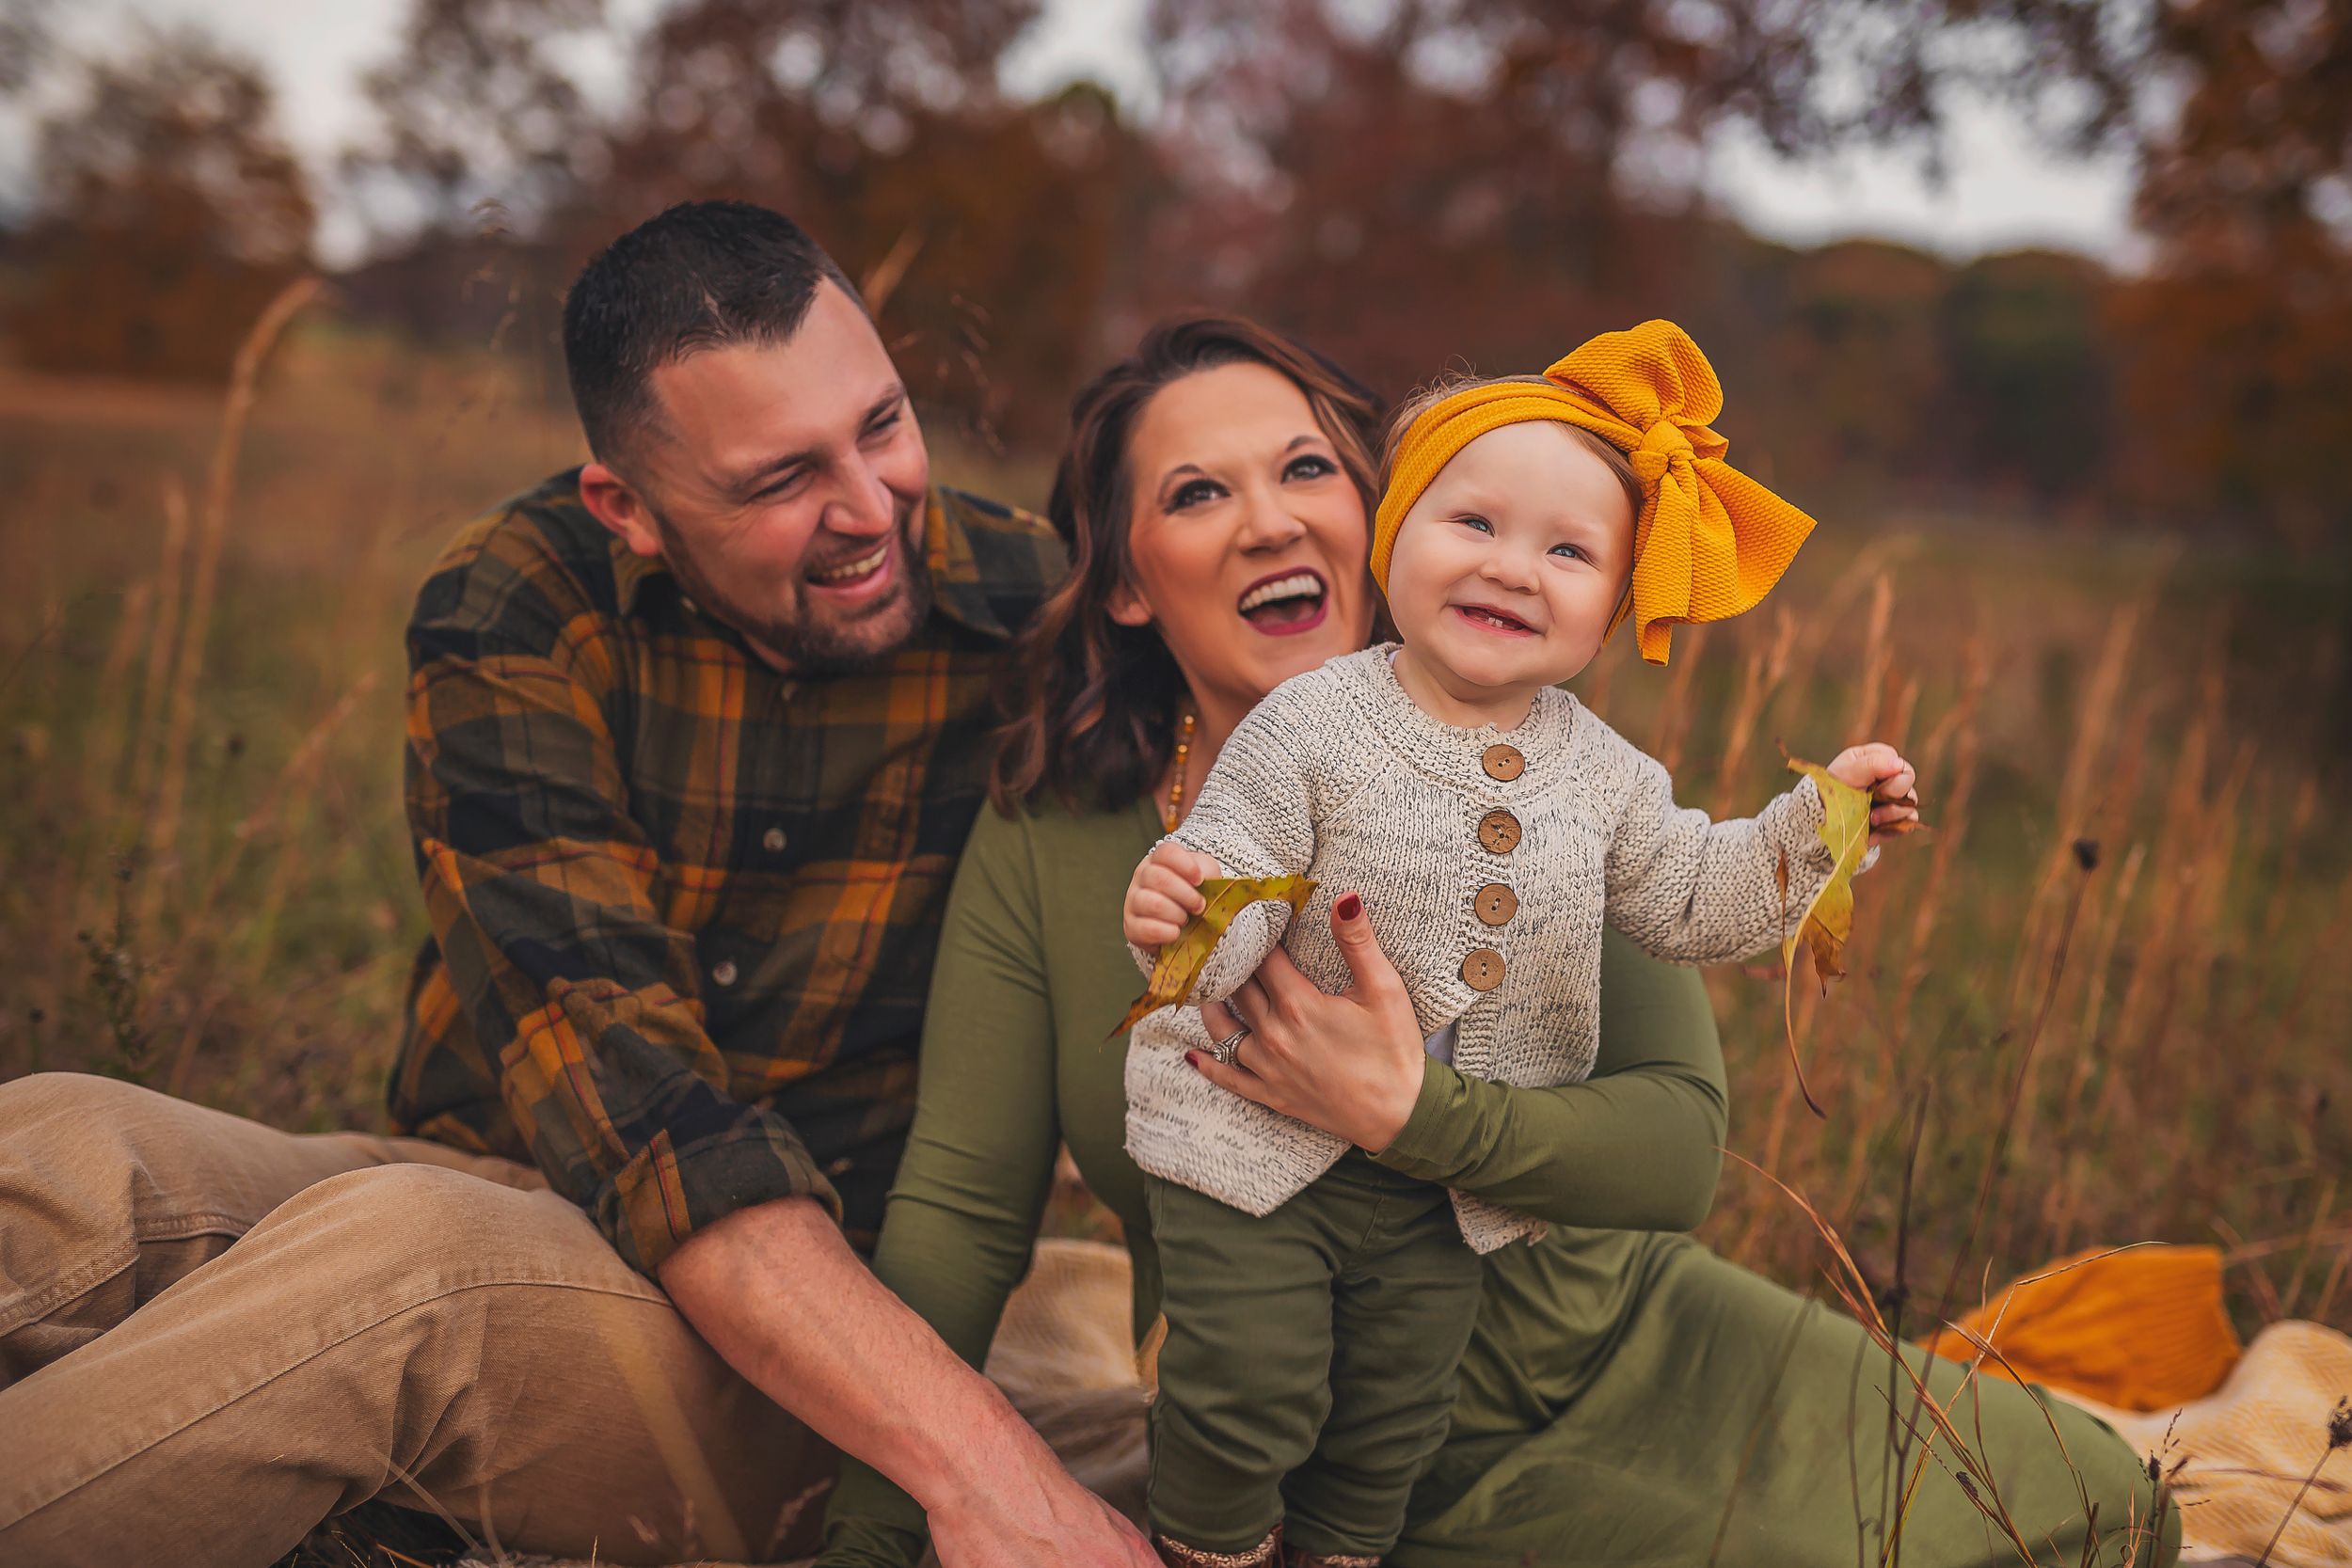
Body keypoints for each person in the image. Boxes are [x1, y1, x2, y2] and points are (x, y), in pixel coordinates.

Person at [818, 314, 2179, 1568]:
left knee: (2102, 1515)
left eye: (1305, 469)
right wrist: (878, 1539)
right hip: (1322, 1469)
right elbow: (958, 1210)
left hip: (1628, 1344)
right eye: (1196, 494)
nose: (1267, 523)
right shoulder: (1056, 835)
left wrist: (1412, 1112)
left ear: (1379, 511)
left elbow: (1676, 1145)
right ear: (1125, 581)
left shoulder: (1538, 781)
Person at [0, 200, 1158, 1568]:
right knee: (56, 1146)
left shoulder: (1048, 617)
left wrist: (983, 1475)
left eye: (883, 426)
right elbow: (634, 1104)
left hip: (838, 1316)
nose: (869, 510)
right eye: (780, 480)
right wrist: (989, 1479)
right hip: (513, 1179)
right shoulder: (518, 604)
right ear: (632, 508)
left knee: (407, 1269)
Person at [1117, 322, 1919, 1567]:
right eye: (1474, 524)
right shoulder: (1314, 718)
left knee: (1392, 1415)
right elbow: (1239, 859)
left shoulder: (1606, 780)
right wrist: (1189, 923)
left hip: (1441, 1195)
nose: (1516, 568)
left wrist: (1817, 831)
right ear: (1396, 544)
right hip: (1249, 1138)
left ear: (1613, 607)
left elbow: (1694, 898)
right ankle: (1204, 1545)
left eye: (1569, 550)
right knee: (1251, 1385)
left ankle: (1336, 1552)